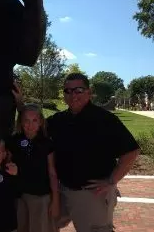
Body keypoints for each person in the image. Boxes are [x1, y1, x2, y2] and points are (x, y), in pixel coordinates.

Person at [47, 73, 140, 232]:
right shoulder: (59, 120)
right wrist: (21, 106)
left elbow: (131, 151)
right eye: (68, 91)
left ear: (89, 93)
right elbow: (31, 126)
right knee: (44, 224)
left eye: (78, 90)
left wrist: (111, 181)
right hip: (62, 191)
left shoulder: (104, 120)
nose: (73, 95)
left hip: (91, 194)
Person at [7, 103, 60, 232]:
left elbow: (52, 173)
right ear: (21, 121)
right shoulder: (14, 140)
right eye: (26, 120)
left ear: (41, 122)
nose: (30, 125)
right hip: (19, 195)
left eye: (34, 120)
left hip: (40, 196)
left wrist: (56, 200)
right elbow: (7, 163)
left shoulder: (47, 143)